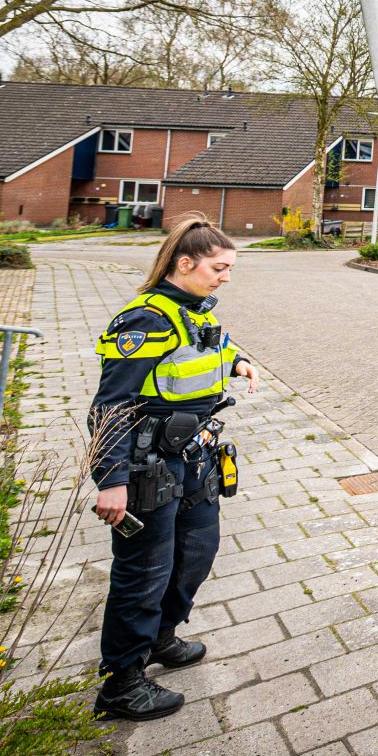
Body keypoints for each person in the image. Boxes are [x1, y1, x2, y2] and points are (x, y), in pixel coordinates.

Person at [89, 213, 258, 720]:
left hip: (195, 457)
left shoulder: (196, 311)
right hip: (149, 465)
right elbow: (110, 406)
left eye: (229, 269)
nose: (225, 278)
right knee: (144, 571)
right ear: (185, 264)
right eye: (218, 268)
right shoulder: (145, 320)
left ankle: (161, 636)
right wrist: (111, 480)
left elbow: (211, 348)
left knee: (195, 553)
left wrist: (237, 362)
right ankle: (122, 683)